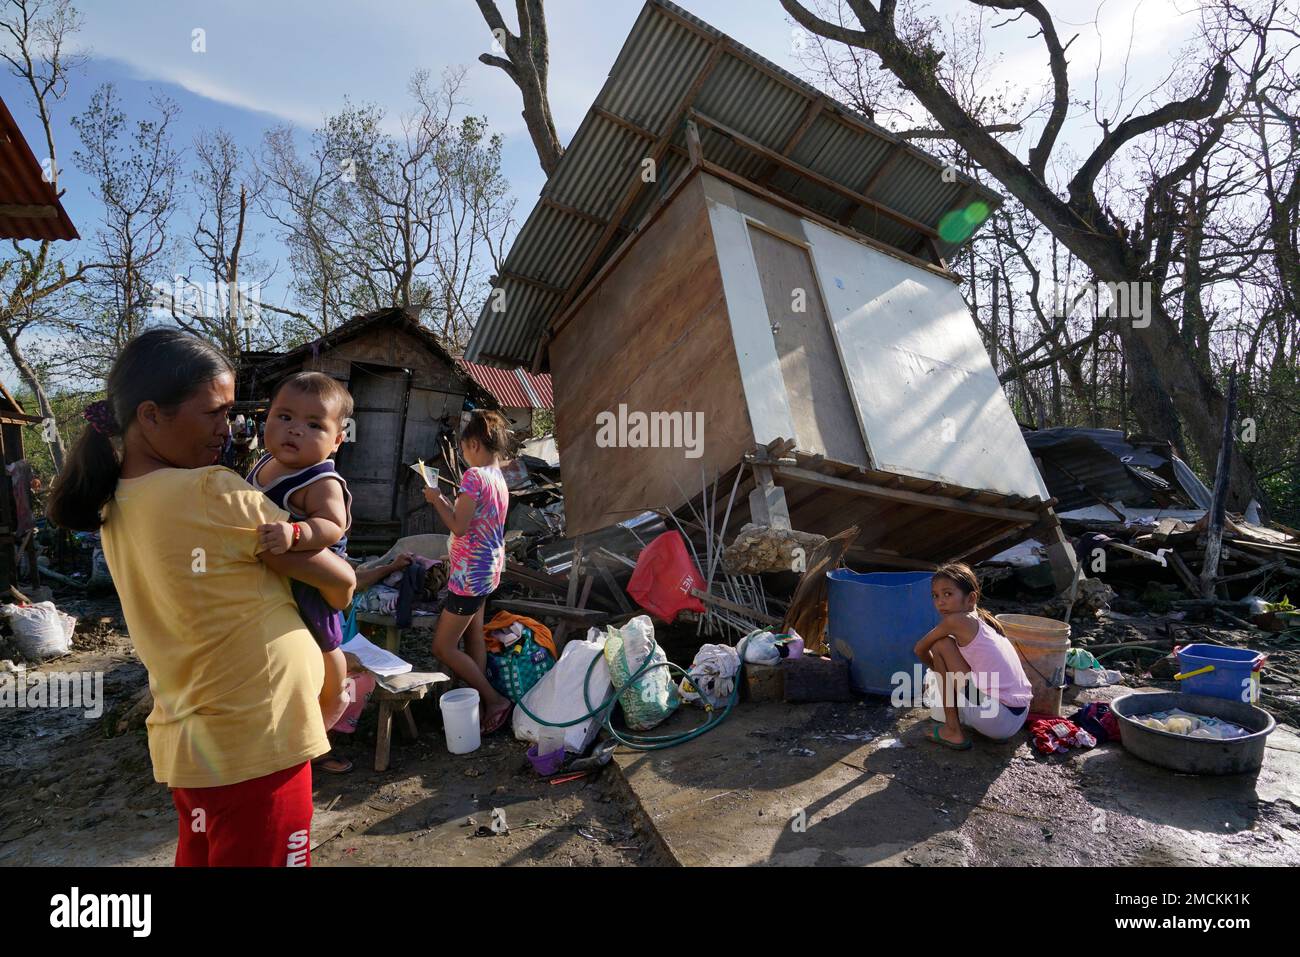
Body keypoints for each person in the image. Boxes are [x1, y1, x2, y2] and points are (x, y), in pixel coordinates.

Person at [47, 328, 356, 867]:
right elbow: (341, 582)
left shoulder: (118, 504)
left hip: (195, 742)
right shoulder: (210, 492)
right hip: (256, 741)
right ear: (150, 416)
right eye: (214, 412)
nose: (227, 427)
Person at [246, 372, 355, 756]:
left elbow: (331, 525)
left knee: (325, 641)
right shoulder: (264, 464)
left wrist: (296, 535)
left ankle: (334, 698)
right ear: (267, 420)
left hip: (314, 573)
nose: (295, 431)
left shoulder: (320, 479)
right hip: (276, 572)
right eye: (285, 417)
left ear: (337, 440)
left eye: (314, 425)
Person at [423, 410, 512, 734]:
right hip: (488, 569)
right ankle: (479, 702)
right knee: (474, 635)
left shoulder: (474, 477)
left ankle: (495, 700)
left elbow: (459, 527)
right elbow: (472, 519)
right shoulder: (497, 476)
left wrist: (435, 499)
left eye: (463, 448)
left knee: (443, 647)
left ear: (473, 443)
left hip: (469, 575)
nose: (462, 454)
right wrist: (446, 499)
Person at [913, 561, 1032, 749]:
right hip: (1017, 717)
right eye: (935, 596)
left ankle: (952, 730)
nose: (940, 602)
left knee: (940, 646)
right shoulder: (985, 624)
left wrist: (941, 674)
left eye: (947, 594)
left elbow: (919, 649)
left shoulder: (957, 620)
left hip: (996, 717)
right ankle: (981, 726)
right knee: (953, 660)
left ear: (971, 598)